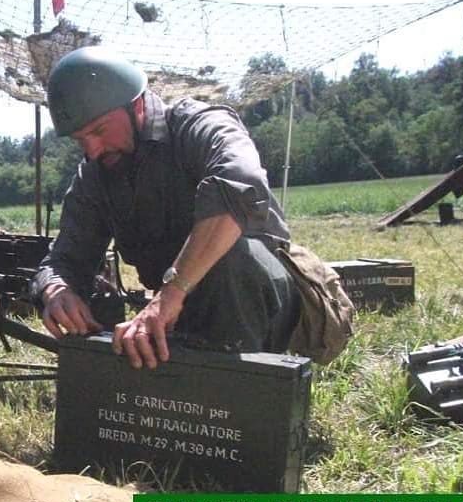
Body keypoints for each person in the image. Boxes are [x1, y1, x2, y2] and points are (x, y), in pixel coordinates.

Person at [31, 46, 300, 370]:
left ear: (137, 105)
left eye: (99, 130)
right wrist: (55, 290)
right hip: (181, 313)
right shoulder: (96, 174)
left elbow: (240, 184)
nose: (93, 149)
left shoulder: (198, 124)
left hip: (267, 306)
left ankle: (234, 401)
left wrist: (171, 294)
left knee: (234, 259)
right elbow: (65, 257)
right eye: (79, 140)